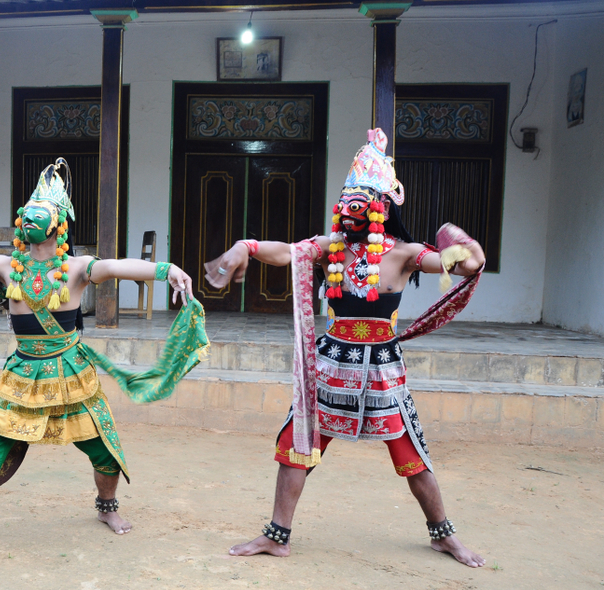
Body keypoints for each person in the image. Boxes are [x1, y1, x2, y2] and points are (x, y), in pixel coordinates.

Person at [206, 129, 486, 567]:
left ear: (382, 208)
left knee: (410, 452)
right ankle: (277, 536)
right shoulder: (331, 247)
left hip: (381, 370)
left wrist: (457, 238)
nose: (350, 212)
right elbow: (286, 253)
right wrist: (246, 246)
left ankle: (443, 535)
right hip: (332, 363)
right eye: (347, 202)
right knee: (298, 443)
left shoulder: (405, 253)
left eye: (362, 203)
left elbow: (468, 265)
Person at [0, 158, 209, 549]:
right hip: (23, 374)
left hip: (71, 373)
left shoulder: (76, 268)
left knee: (103, 448)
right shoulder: (8, 266)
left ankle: (107, 506)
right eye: (29, 214)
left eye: (42, 215)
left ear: (58, 226)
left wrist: (167, 269)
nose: (32, 221)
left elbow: (118, 265)